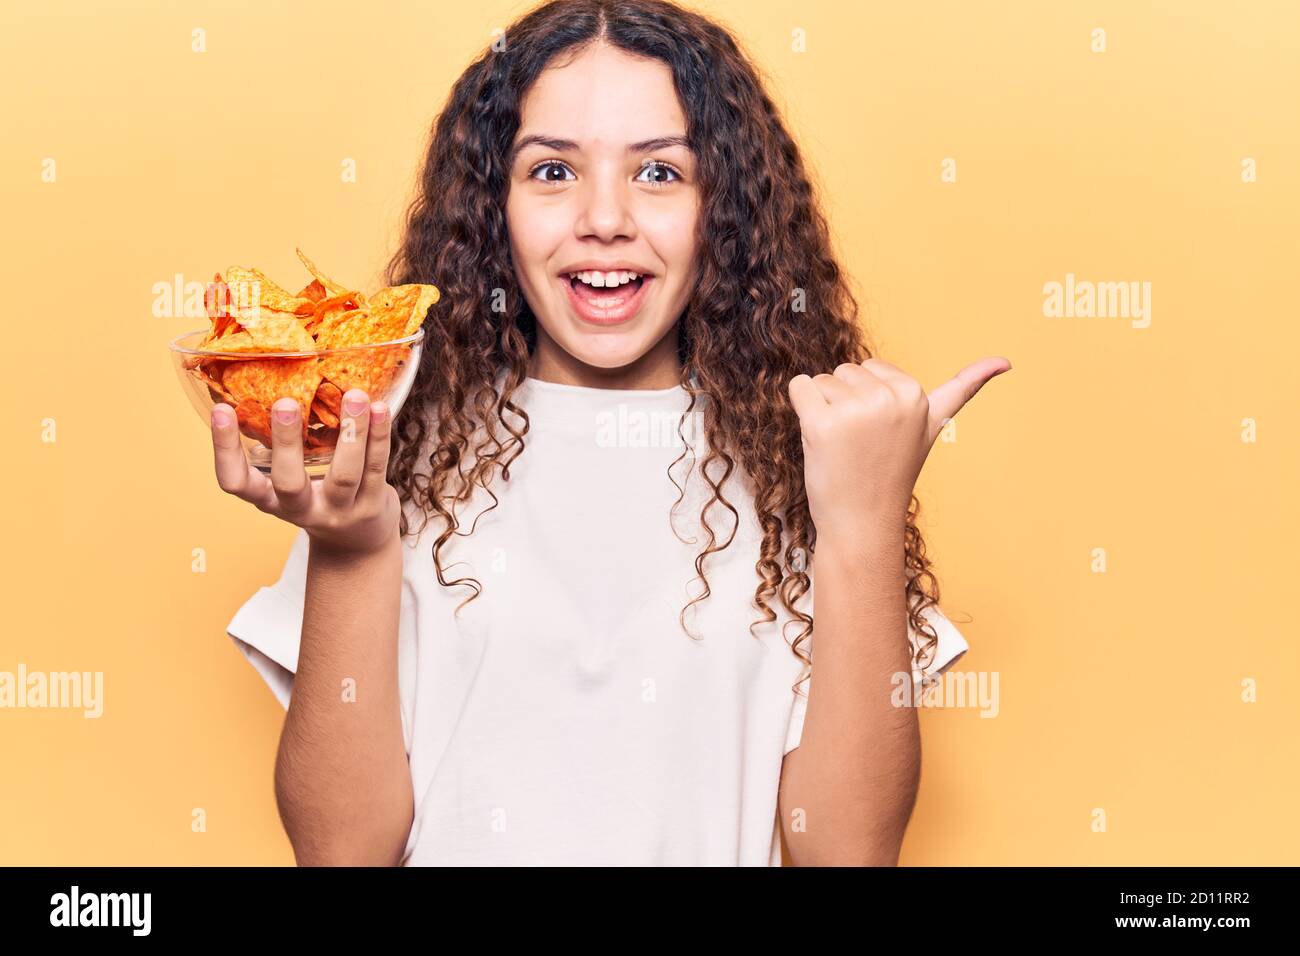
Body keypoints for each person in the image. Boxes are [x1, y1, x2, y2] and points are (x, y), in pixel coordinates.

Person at [215, 0, 1009, 867]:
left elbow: (847, 854)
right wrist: (351, 552)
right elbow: (342, 852)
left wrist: (863, 522)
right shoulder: (392, 452)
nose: (604, 218)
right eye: (552, 171)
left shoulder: (807, 460)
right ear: (492, 208)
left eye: (660, 173)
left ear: (728, 211)